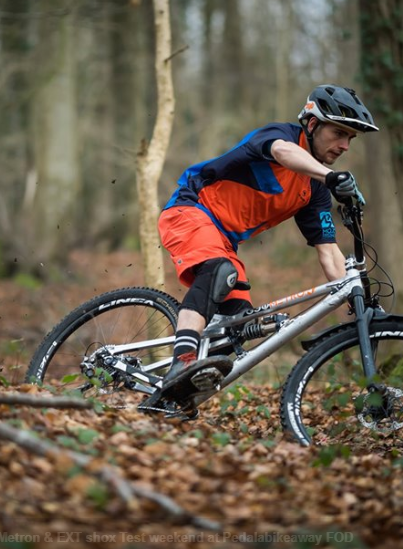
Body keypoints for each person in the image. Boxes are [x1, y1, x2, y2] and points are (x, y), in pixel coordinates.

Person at [155, 84, 379, 395]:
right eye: (339, 133)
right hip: (190, 209)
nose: (345, 146)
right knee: (220, 271)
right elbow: (282, 153)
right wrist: (330, 177)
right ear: (312, 124)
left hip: (224, 241)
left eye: (350, 139)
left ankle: (172, 397)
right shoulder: (281, 136)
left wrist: (357, 301)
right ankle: (182, 361)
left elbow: (328, 252)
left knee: (235, 329)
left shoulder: (313, 191)